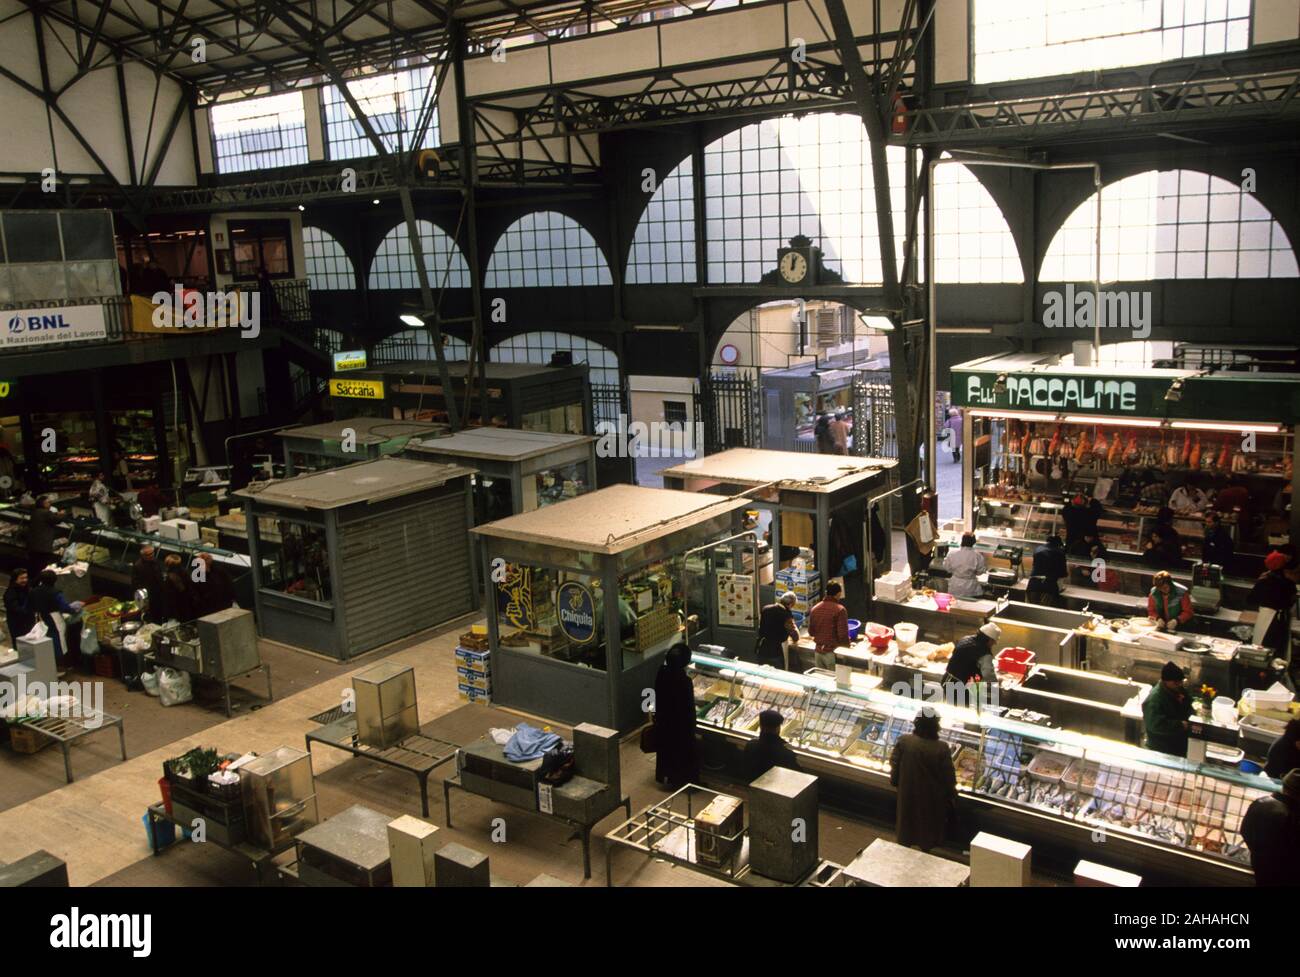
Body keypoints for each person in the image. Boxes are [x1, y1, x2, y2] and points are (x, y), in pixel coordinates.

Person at [889, 710, 957, 853]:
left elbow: (895, 764)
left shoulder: (904, 741)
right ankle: (925, 852)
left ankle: (903, 850)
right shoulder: (941, 748)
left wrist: (895, 782)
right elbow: (948, 776)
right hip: (931, 797)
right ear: (935, 727)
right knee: (927, 826)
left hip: (908, 792)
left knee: (907, 823)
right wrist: (951, 794)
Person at [1240, 768, 1300, 887]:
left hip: (1260, 866)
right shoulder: (1294, 816)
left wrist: (1257, 853)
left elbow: (1244, 830)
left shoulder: (1260, 802)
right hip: (1285, 875)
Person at [652, 643, 699, 789]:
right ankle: (683, 781)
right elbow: (689, 707)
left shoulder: (662, 672)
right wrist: (693, 725)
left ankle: (666, 777)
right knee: (682, 753)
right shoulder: (684, 681)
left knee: (666, 752)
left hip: (664, 721)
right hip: (681, 725)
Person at [29, 569, 84, 669]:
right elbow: (64, 607)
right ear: (54, 580)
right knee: (59, 640)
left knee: (46, 638)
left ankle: (49, 663)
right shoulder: (55, 592)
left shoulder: (34, 591)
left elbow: (31, 605)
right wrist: (74, 610)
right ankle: (61, 665)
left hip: (41, 617)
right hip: (54, 618)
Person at [1250, 551, 1297, 661]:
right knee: (1278, 651)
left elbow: (1251, 599)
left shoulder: (1265, 580)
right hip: (1282, 619)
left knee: (1260, 650)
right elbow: (1291, 601)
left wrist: (1258, 582)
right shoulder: (1289, 583)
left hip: (1266, 617)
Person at [943, 622, 999, 707]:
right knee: (961, 712)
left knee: (951, 708)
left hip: (946, 679)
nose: (994, 644)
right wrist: (997, 683)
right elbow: (988, 674)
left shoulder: (965, 639)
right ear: (989, 640)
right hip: (959, 687)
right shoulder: (984, 653)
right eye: (994, 641)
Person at [1143, 661, 1193, 756]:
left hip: (1177, 745)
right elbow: (1155, 725)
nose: (1179, 684)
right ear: (1165, 681)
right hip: (1161, 749)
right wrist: (1180, 725)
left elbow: (1188, 703)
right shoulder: (1154, 700)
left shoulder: (1176, 689)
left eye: (1181, 682)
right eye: (1175, 683)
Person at [742, 709, 801, 781]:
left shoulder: (751, 745)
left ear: (760, 726)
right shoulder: (786, 753)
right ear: (778, 728)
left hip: (750, 783)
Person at [807, 581, 849, 671]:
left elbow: (811, 632)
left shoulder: (814, 609)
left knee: (821, 681)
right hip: (831, 654)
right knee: (833, 682)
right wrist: (847, 648)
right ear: (838, 594)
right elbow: (843, 635)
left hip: (818, 652)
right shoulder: (840, 610)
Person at [756, 592, 798, 668]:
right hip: (776, 651)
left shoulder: (766, 608)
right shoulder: (786, 615)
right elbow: (794, 636)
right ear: (791, 604)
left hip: (762, 648)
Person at [1026, 535, 1067, 607]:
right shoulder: (1060, 552)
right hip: (1049, 586)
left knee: (1030, 610)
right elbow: (1062, 573)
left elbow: (1035, 566)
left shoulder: (1038, 549)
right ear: (1058, 544)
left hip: (1033, 584)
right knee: (1045, 611)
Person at [942, 532, 986, 599]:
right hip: (971, 587)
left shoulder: (952, 553)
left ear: (962, 540)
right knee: (969, 607)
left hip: (955, 585)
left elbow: (947, 567)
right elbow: (980, 571)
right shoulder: (977, 555)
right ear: (973, 542)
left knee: (954, 606)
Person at [194, 552, 236, 617]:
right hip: (210, 609)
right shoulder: (199, 575)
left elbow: (229, 585)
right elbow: (199, 592)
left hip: (223, 605)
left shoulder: (219, 571)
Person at [132, 543, 166, 624]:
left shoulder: (155, 561)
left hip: (159, 593)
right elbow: (135, 584)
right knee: (152, 618)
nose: (151, 555)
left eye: (152, 553)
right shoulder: (138, 566)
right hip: (148, 596)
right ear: (143, 555)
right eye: (148, 555)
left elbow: (159, 575)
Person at [26, 495, 62, 571]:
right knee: (41, 566)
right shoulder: (46, 513)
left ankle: (31, 579)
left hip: (33, 545)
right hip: (43, 547)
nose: (50, 504)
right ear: (43, 503)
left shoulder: (35, 511)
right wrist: (61, 515)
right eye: (48, 502)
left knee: (32, 565)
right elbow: (56, 520)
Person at [161, 553, 198, 622]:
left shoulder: (172, 576)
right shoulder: (184, 572)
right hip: (187, 606)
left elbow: (171, 595)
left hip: (178, 607)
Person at [3, 568, 36, 644]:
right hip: (17, 624)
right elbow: (16, 608)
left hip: (29, 622)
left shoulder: (27, 589)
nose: (25, 580)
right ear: (15, 579)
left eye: (26, 577)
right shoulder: (10, 593)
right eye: (22, 578)